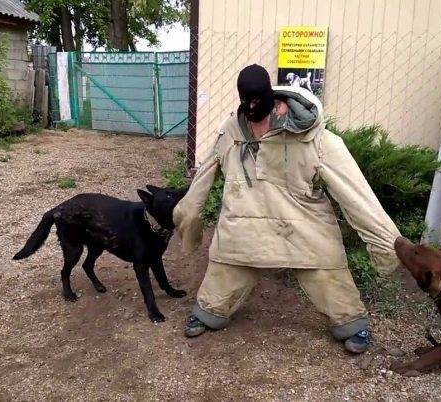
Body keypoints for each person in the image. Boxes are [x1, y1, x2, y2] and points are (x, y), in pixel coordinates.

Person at [172, 64, 401, 354]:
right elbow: (201, 182)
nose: (253, 106)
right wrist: (187, 218)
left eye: (258, 100)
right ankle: (210, 310)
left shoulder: (313, 137)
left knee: (326, 265)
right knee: (224, 270)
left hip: (301, 225)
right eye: (247, 101)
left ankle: (351, 322)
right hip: (245, 225)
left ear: (270, 95)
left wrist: (387, 243)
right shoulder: (229, 134)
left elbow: (356, 194)